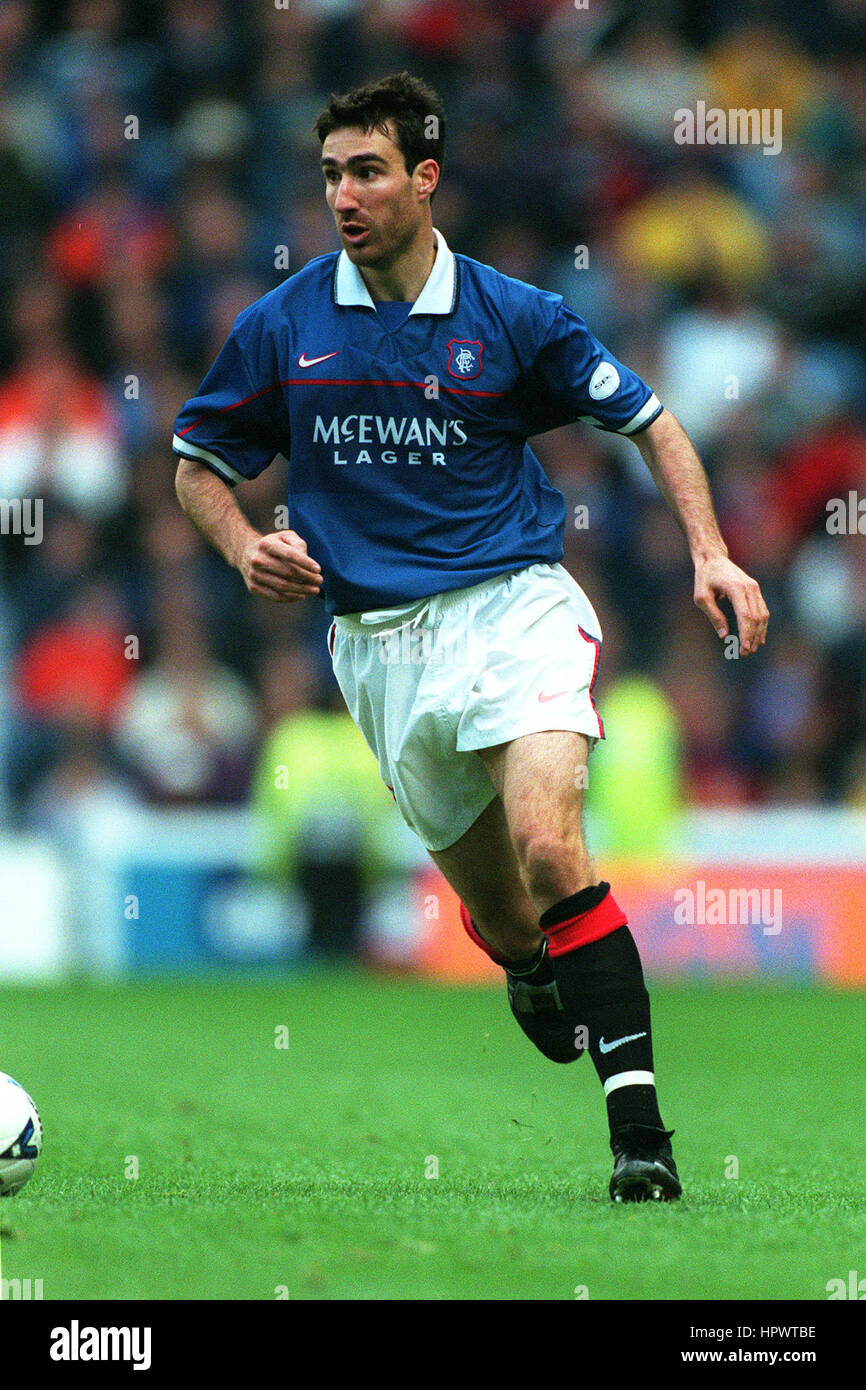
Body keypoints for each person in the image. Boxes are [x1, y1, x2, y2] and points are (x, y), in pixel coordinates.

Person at [173, 72, 770, 1202]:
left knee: (554, 852)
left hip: (513, 609)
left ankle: (637, 1136)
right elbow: (196, 462)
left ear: (424, 177)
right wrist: (241, 543)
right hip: (380, 650)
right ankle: (532, 971)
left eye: (366, 170)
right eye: (330, 173)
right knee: (506, 921)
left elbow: (650, 421)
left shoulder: (513, 316)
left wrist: (709, 550)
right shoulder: (283, 324)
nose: (342, 194)